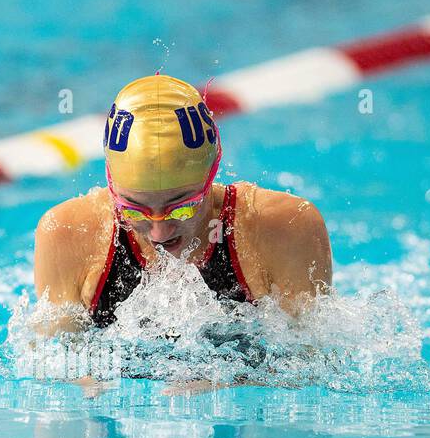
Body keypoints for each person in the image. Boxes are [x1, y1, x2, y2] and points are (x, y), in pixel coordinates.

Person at [33, 74, 333, 334]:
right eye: (133, 209)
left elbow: (309, 363)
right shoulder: (69, 233)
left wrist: (223, 381)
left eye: (181, 207)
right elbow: (54, 364)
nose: (159, 233)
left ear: (211, 174)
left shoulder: (283, 228)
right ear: (112, 185)